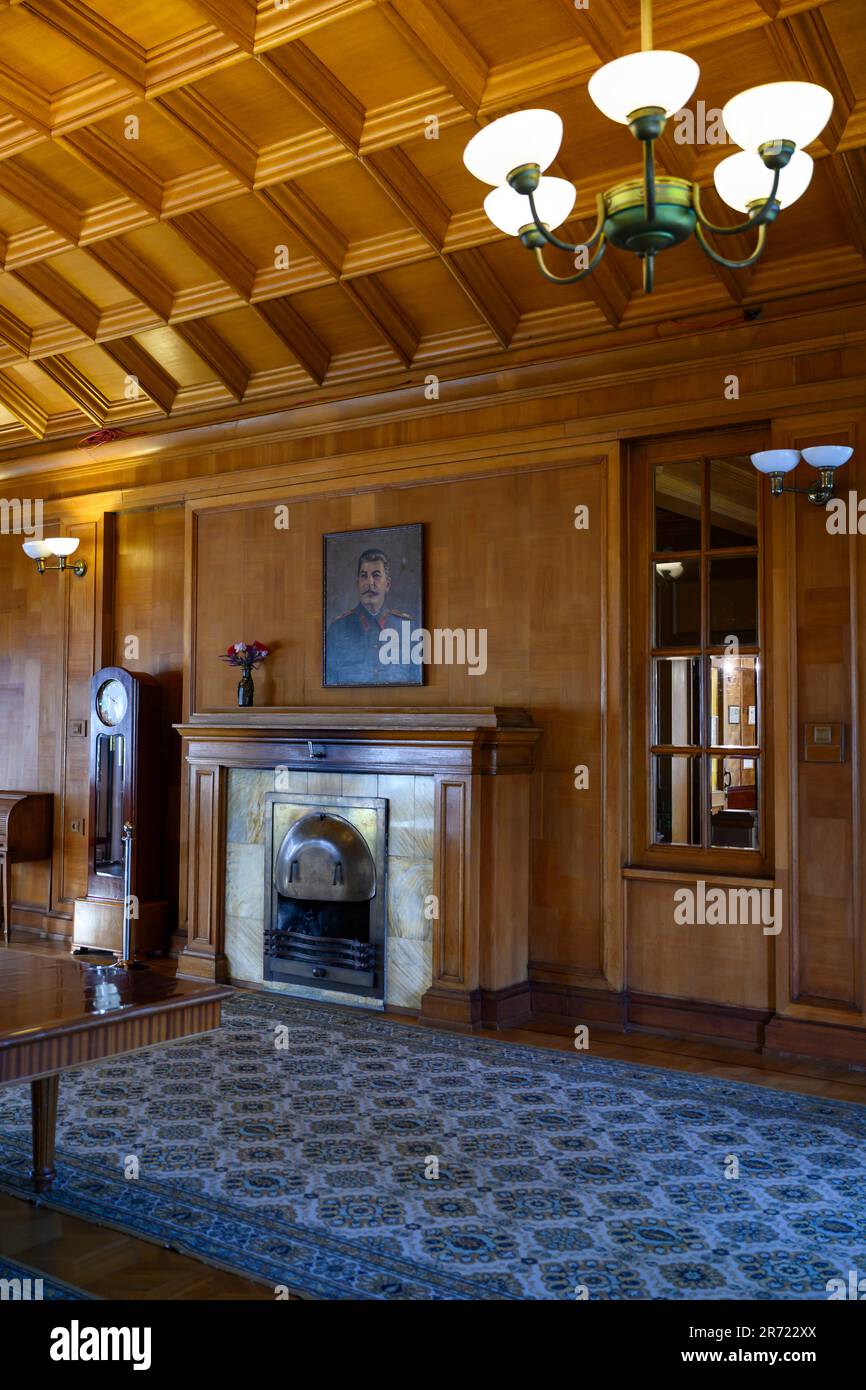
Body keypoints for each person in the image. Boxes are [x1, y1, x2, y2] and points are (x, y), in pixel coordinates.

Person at [325, 548, 415, 684]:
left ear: (388, 585)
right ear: (357, 584)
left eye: (376, 575)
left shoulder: (408, 628)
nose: (369, 582)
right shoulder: (336, 631)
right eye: (364, 576)